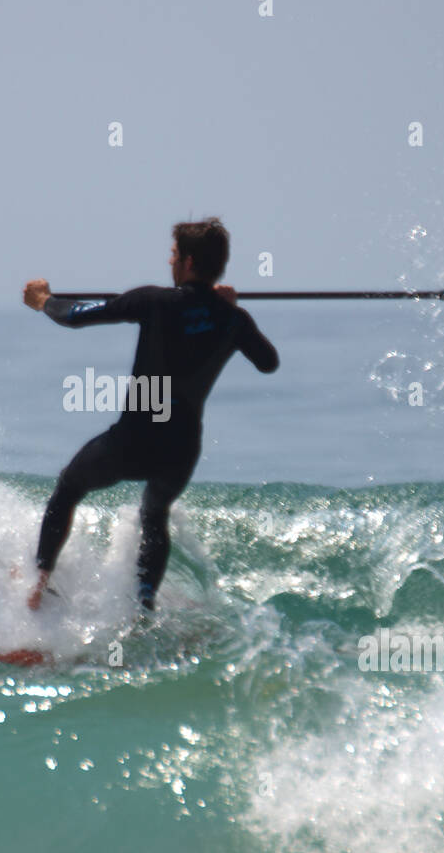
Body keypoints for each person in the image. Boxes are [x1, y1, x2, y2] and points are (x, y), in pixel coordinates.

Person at [21, 217, 279, 614]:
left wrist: (43, 301)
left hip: (132, 442)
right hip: (180, 452)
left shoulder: (153, 301)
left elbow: (76, 315)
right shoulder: (233, 320)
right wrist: (231, 313)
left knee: (69, 488)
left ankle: (37, 586)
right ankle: (143, 607)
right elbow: (268, 363)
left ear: (190, 262)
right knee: (154, 514)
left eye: (174, 254)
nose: (169, 260)